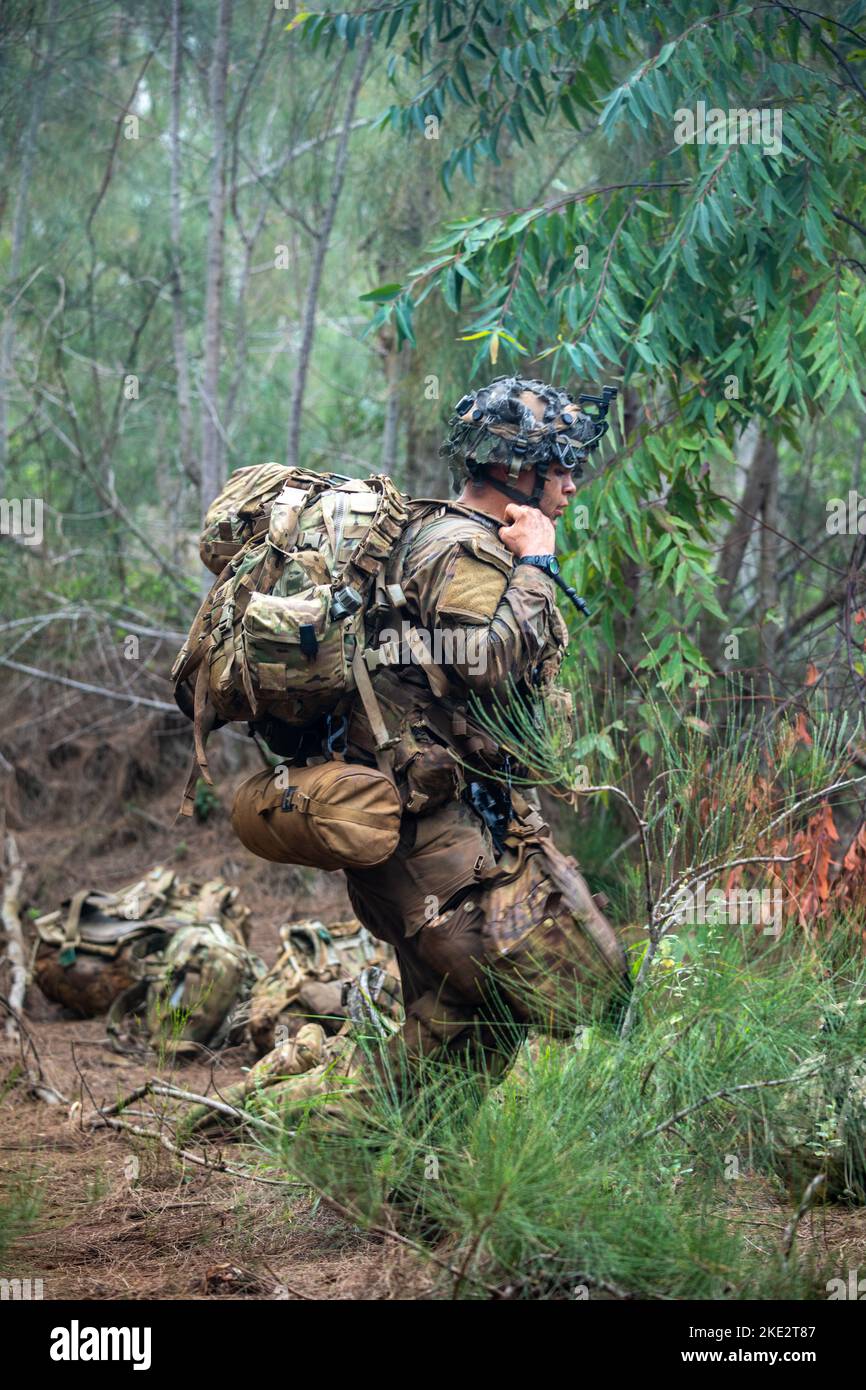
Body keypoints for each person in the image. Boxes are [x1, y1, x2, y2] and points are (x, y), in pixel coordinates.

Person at [336, 375, 630, 1090]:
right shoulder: (462, 548)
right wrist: (535, 564)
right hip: (424, 828)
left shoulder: (450, 534)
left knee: (466, 1020)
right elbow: (484, 662)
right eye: (562, 466)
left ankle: (403, 1184)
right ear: (515, 469)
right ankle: (348, 1141)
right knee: (500, 992)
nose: (572, 485)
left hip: (443, 820)